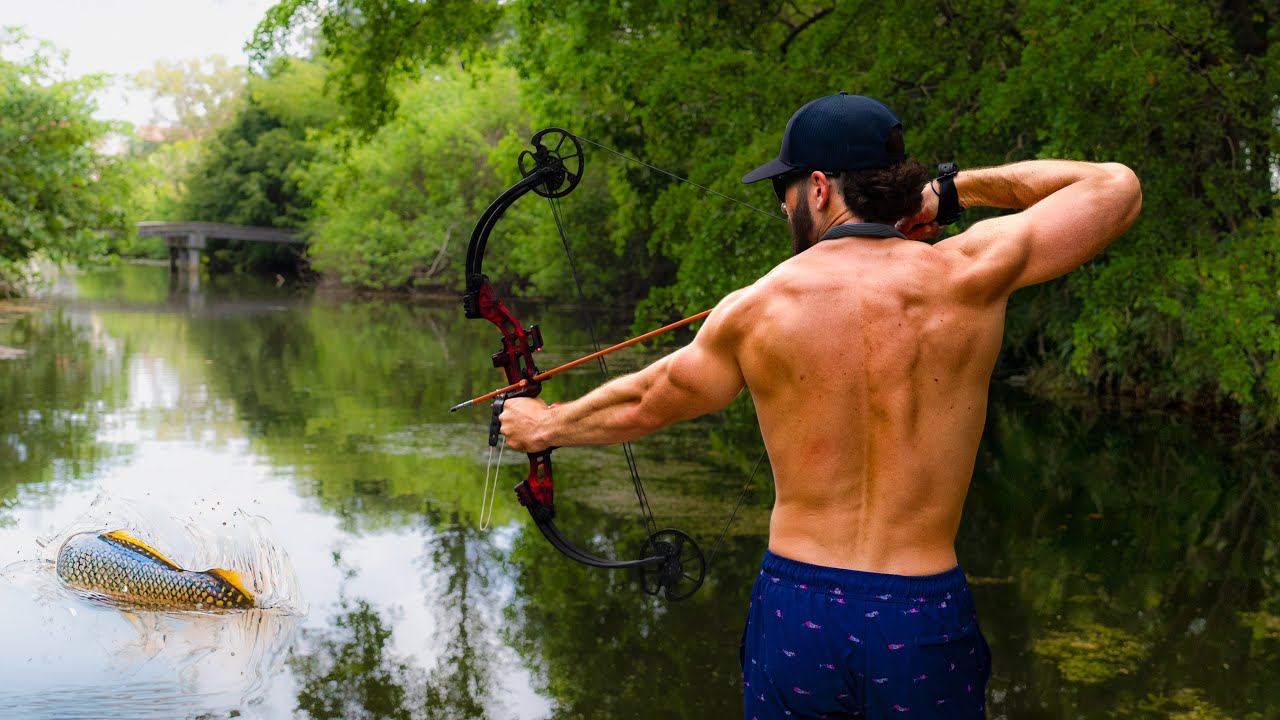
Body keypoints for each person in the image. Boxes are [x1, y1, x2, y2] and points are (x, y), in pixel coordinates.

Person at [497, 92, 1142, 718]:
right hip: (920, 615)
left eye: (783, 194)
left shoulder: (757, 309)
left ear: (819, 188)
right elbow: (1115, 189)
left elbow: (651, 398)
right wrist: (951, 192)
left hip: (799, 611)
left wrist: (546, 423)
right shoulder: (969, 273)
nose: (783, 210)